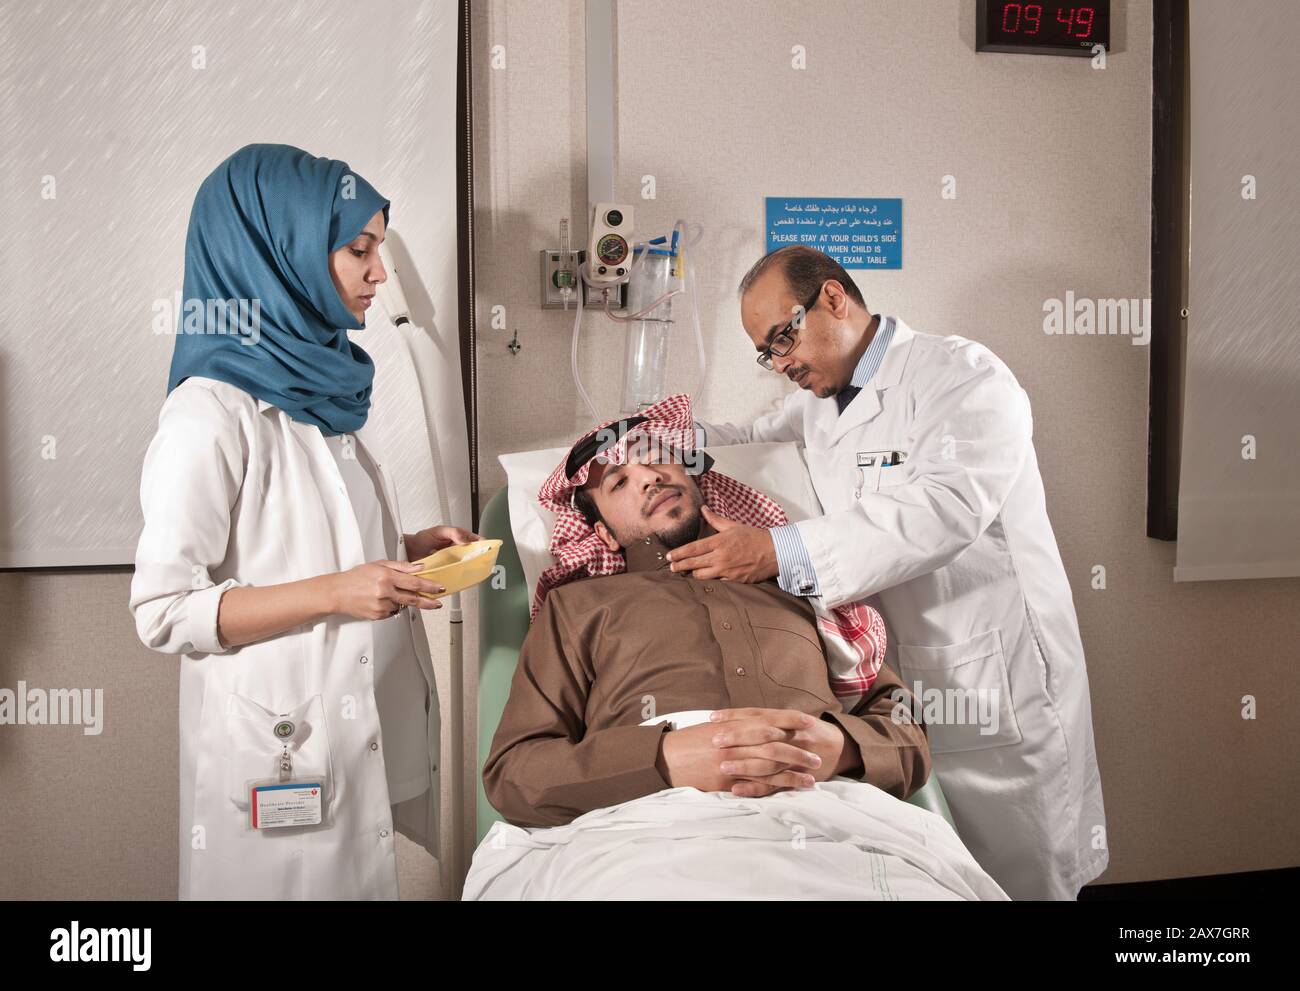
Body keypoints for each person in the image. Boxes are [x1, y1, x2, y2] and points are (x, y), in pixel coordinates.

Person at [671, 245, 1108, 900]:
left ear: (833, 299)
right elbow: (748, 440)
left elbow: (943, 509)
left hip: (991, 671)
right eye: (767, 351)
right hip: (900, 688)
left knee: (1026, 873)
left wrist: (778, 550)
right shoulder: (818, 402)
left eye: (783, 337)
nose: (780, 362)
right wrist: (651, 444)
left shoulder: (961, 378)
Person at [128, 143, 476, 899]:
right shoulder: (208, 413)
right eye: (360, 249)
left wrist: (407, 552)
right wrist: (338, 592)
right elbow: (162, 612)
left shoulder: (320, 396)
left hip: (348, 746)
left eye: (379, 248)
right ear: (278, 251)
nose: (379, 273)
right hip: (274, 753)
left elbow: (315, 542)